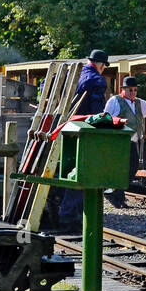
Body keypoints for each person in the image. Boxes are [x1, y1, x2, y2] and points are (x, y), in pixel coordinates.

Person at [56, 49, 111, 232]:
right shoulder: (97, 80)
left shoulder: (74, 76)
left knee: (67, 172)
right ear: (101, 65)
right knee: (83, 174)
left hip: (66, 129)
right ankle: (70, 216)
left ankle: (67, 213)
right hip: (84, 133)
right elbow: (97, 113)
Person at [103, 76, 146, 208]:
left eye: (135, 90)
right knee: (119, 169)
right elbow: (105, 118)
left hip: (132, 141)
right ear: (123, 90)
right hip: (118, 141)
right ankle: (116, 196)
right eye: (130, 90)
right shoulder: (115, 101)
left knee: (132, 168)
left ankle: (116, 194)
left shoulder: (139, 102)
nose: (133, 92)